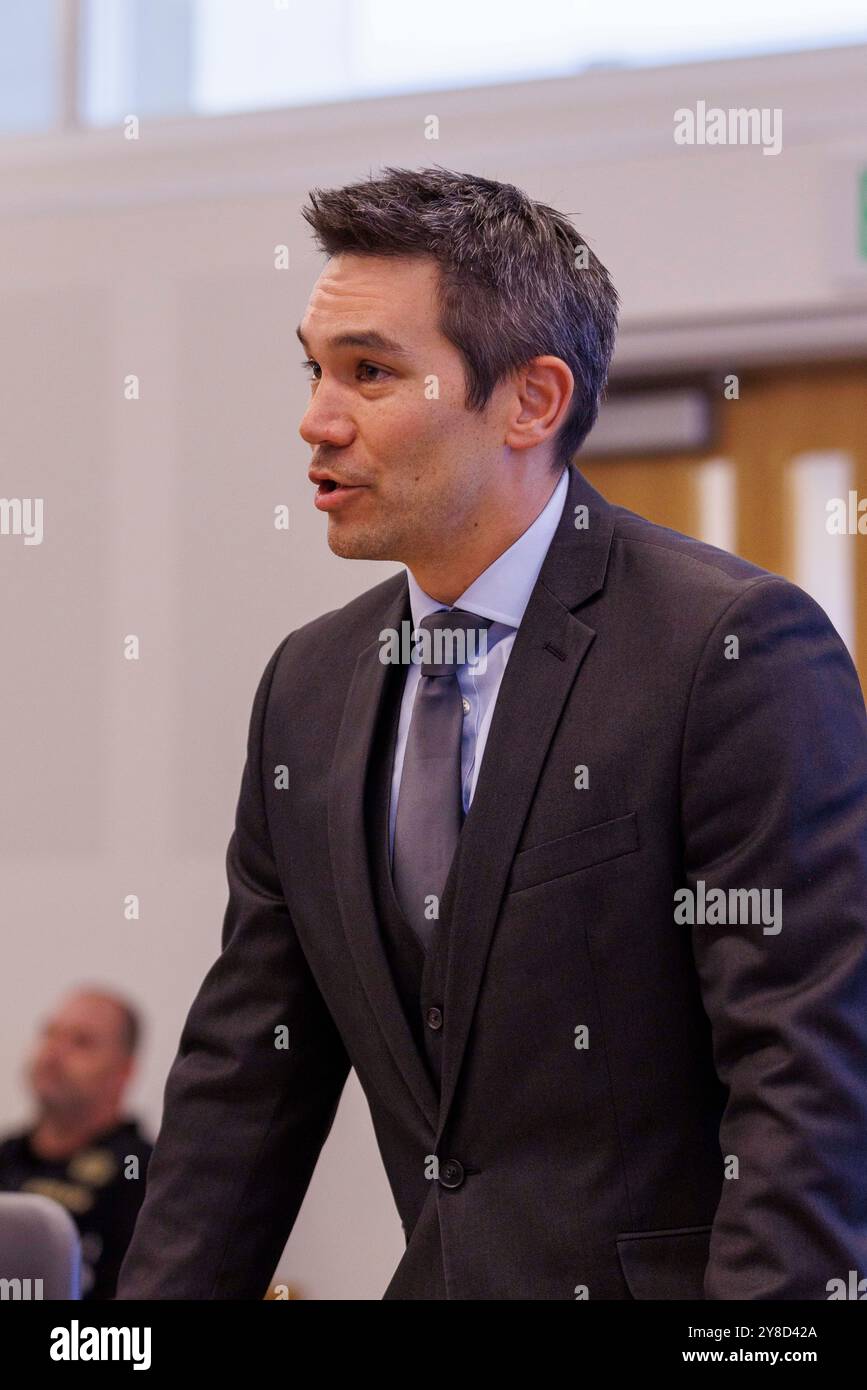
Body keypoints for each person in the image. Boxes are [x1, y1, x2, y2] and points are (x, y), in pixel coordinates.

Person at [116, 167, 867, 1300]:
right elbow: (243, 1080)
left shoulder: (731, 649)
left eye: (369, 371)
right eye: (315, 370)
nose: (316, 417)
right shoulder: (309, 685)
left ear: (531, 401)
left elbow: (807, 1075)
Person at [0, 987, 152, 1299]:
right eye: (50, 1033)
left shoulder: (146, 1178)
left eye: (81, 1042)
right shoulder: (6, 1155)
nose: (54, 1053)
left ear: (123, 1072)